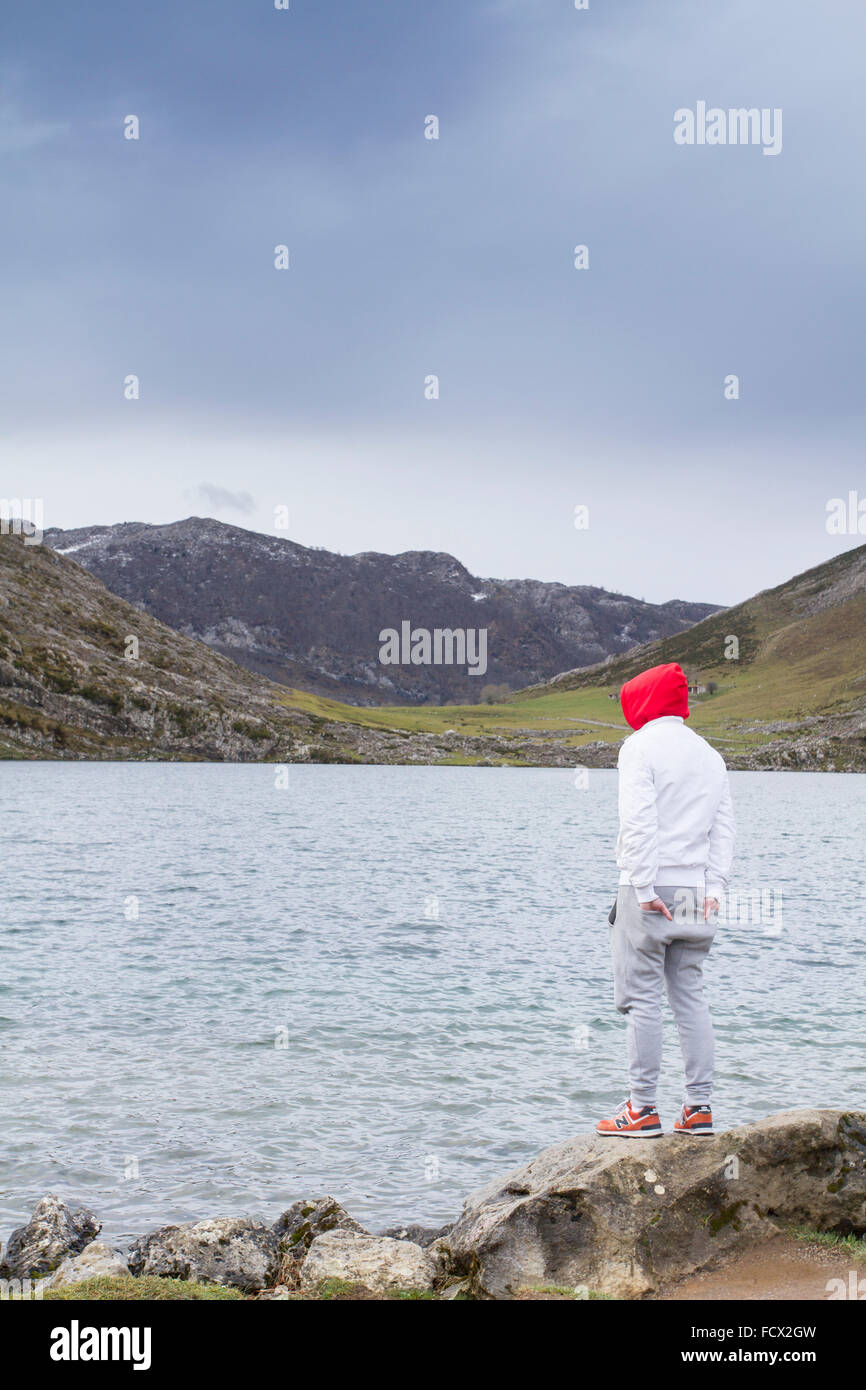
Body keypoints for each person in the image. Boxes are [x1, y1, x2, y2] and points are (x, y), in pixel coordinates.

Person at [596, 661, 735, 1138]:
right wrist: (714, 889)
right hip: (698, 890)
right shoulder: (710, 755)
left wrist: (643, 886)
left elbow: (638, 822)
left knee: (641, 1001)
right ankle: (698, 1109)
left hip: (650, 889)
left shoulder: (639, 748)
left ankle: (641, 1110)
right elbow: (724, 828)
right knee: (690, 997)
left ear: (644, 701)